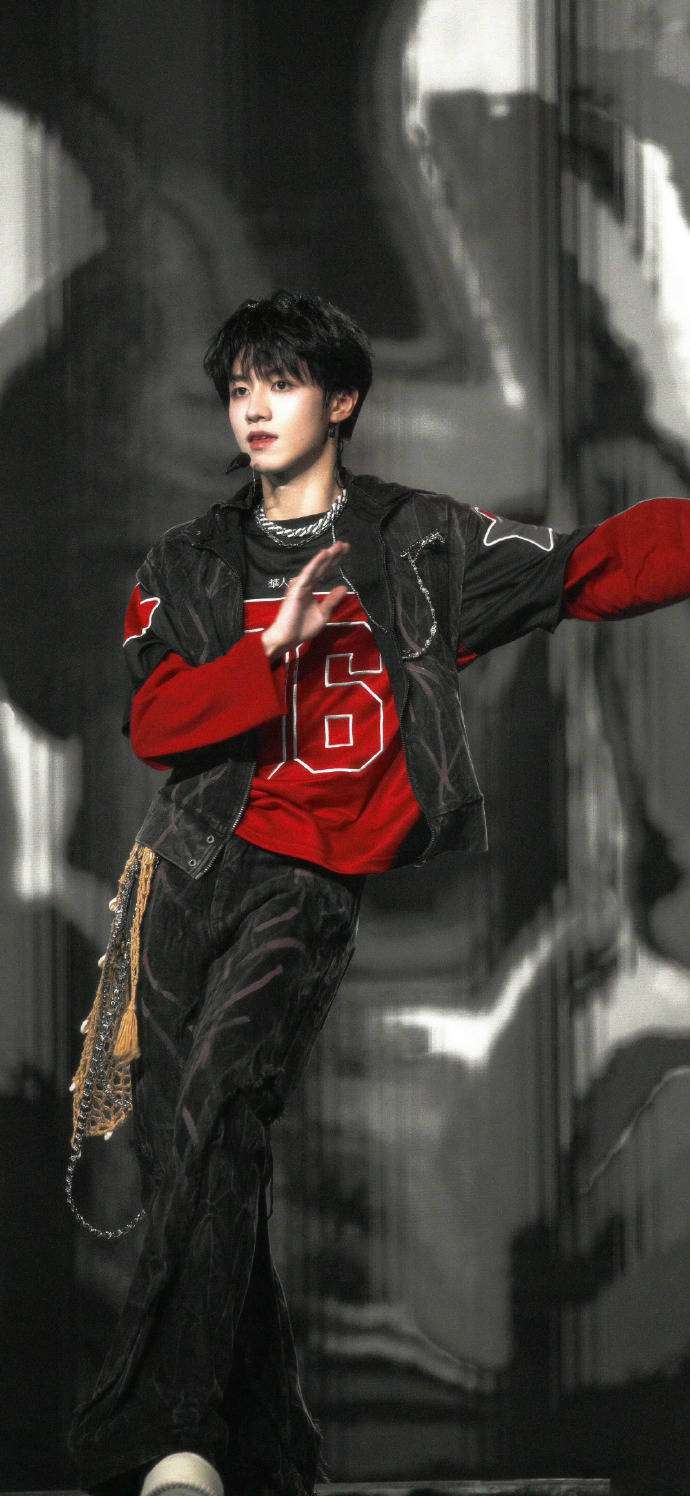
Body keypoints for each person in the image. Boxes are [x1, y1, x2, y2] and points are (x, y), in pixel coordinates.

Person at [67, 289, 690, 1496]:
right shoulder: (187, 560)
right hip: (186, 866)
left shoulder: (421, 543)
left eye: (280, 382)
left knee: (219, 1102)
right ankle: (263, 1447)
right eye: (238, 387)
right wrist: (268, 650)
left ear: (342, 397)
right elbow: (156, 723)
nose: (254, 407)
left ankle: (167, 1435)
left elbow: (589, 567)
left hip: (303, 882)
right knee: (194, 1148)